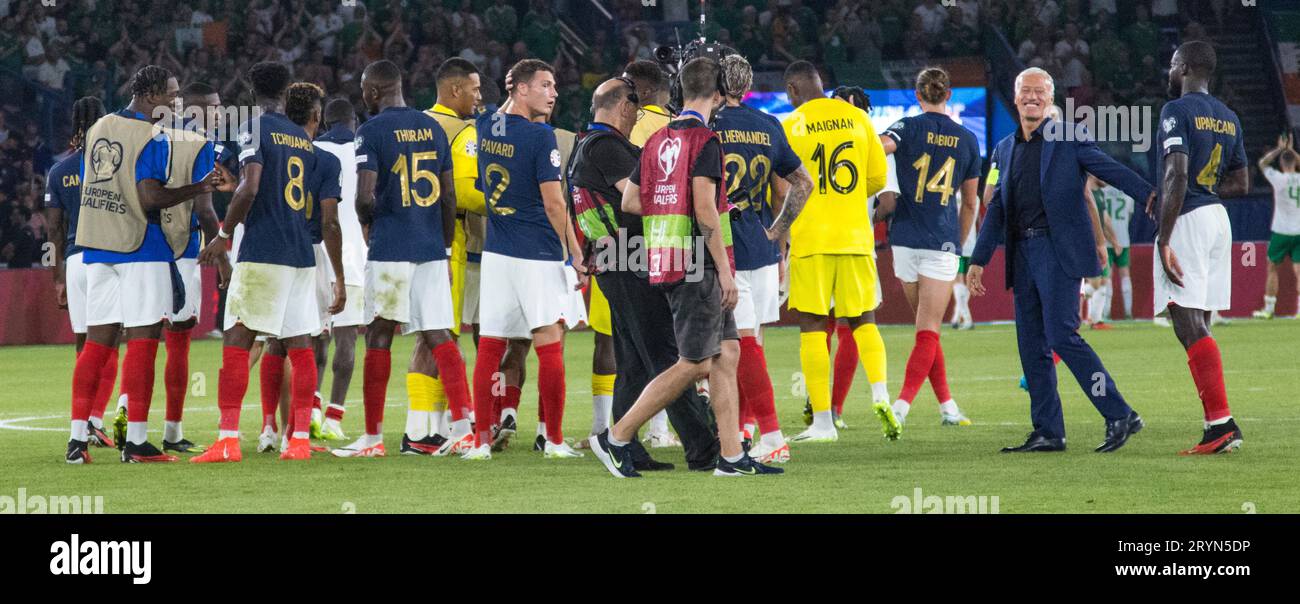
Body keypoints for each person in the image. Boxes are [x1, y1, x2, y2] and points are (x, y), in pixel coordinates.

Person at [590, 57, 781, 478]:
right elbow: (706, 212)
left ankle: (731, 457)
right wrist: (726, 274)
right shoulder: (706, 141)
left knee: (727, 354)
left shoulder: (657, 139)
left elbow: (632, 202)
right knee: (694, 362)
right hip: (697, 266)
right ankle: (616, 436)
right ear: (718, 95)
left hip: (666, 258)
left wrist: (668, 203)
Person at [967, 67, 1152, 454]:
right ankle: (1048, 431)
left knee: (1062, 337)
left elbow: (1109, 170)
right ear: (1015, 98)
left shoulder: (1069, 137)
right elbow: (997, 210)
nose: (1032, 98)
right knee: (1030, 344)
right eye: (1025, 92)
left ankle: (1119, 413)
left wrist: (1151, 195)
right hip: (1022, 253)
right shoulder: (1004, 148)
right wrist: (977, 260)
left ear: (1050, 100)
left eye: (1040, 92)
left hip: (1058, 251)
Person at [65, 65, 222, 465]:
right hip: (141, 248)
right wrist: (197, 188)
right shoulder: (153, 136)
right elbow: (151, 198)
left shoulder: (99, 126)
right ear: (151, 95)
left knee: (97, 343)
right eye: (171, 95)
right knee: (143, 342)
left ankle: (76, 440)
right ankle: (136, 442)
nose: (175, 102)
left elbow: (92, 183)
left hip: (98, 246)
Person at [190, 61, 344, 463]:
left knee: (238, 338)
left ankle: (226, 441)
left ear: (250, 87)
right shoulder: (303, 139)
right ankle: (298, 443)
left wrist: (223, 237)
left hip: (263, 249)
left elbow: (253, 185)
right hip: (300, 253)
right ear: (287, 88)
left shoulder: (254, 127)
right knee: (300, 345)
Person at [570, 76, 720, 471]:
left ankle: (626, 445)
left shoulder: (584, 144)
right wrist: (690, 197)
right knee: (668, 356)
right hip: (628, 259)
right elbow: (639, 197)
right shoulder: (607, 146)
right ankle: (703, 450)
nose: (637, 114)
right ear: (622, 107)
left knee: (635, 361)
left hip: (613, 260)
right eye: (634, 106)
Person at [329, 60, 473, 459]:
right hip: (431, 246)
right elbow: (448, 197)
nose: (362, 96)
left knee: (379, 334)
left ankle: (373, 438)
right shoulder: (433, 128)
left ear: (373, 91)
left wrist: (367, 225)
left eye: (364, 89)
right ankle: (463, 429)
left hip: (391, 244)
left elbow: (362, 197)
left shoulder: (370, 131)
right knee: (439, 333)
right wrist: (444, 246)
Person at [467, 58, 588, 460]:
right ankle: (553, 441)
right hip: (537, 252)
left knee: (490, 347)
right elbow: (555, 204)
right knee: (549, 343)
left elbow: (494, 114)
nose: (554, 93)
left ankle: (481, 441)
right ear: (520, 89)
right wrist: (574, 249)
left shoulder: (486, 127)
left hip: (498, 254)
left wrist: (504, 96)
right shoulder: (541, 138)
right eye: (545, 85)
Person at [780, 60, 892, 443]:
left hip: (811, 239)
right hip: (855, 236)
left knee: (813, 327)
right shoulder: (857, 118)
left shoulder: (790, 125)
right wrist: (844, 200)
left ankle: (824, 422)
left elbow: (782, 185)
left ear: (793, 91)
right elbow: (877, 178)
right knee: (864, 319)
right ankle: (880, 395)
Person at [712, 54, 812, 463]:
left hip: (726, 246)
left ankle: (771, 434)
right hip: (763, 245)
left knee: (742, 344)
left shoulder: (708, 126)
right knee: (752, 343)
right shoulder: (769, 124)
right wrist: (777, 232)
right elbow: (801, 183)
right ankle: (745, 427)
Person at [1153, 41, 1251, 454]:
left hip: (1189, 219)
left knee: (1186, 320)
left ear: (1187, 67)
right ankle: (1218, 422)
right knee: (1200, 321)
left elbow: (1176, 173)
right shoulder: (1229, 117)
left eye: (1173, 63)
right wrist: (1205, 190)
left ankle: (1220, 423)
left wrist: (1163, 236)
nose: (1169, 69)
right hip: (1217, 219)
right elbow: (1242, 183)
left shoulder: (1176, 111)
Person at [878, 66, 978, 427]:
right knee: (928, 330)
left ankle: (948, 407)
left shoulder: (906, 127)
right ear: (948, 95)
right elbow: (970, 203)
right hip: (941, 240)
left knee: (926, 328)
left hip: (903, 238)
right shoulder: (967, 139)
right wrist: (961, 239)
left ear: (917, 95)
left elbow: (880, 146)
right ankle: (901, 407)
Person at [401, 57, 482, 452]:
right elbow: (464, 193)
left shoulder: (413, 123)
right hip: (448, 240)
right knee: (443, 334)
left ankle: (423, 427)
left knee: (427, 333)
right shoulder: (462, 130)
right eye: (474, 89)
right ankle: (426, 431)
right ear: (454, 90)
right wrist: (509, 201)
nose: (478, 98)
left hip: (406, 236)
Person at [156, 81, 228, 455]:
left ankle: (124, 413)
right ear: (196, 110)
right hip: (184, 250)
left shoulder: (155, 136)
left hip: (146, 249)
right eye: (214, 107)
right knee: (179, 341)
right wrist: (223, 253)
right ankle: (172, 430)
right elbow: (205, 209)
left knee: (143, 335)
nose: (220, 114)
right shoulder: (202, 145)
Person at [47, 96, 117, 452]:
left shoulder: (59, 172)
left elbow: (53, 234)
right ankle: (96, 419)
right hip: (107, 257)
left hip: (74, 261)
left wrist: (56, 278)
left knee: (83, 343)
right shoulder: (113, 165)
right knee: (110, 339)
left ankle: (82, 418)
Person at [313, 97, 363, 440]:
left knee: (314, 338)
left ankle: (310, 411)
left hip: (315, 254)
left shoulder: (310, 149)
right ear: (354, 121)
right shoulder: (365, 151)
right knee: (347, 341)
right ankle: (334, 418)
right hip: (355, 257)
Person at [1252, 132, 1300, 320]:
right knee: (1298, 270)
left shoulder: (1278, 178)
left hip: (1281, 230)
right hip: (1299, 231)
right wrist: (1291, 150)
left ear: (1281, 165)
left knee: (1272, 268)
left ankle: (1269, 308)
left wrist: (1280, 149)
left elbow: (1262, 163)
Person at [1091, 177, 1136, 320]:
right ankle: (1128, 313)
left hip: (1104, 240)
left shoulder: (1101, 192)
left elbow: (1102, 217)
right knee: (1125, 275)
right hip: (1123, 239)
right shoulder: (1128, 194)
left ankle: (1105, 313)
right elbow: (1129, 216)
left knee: (1106, 277)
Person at [624, 59, 672, 148]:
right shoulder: (676, 120)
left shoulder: (633, 120)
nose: (621, 90)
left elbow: (637, 160)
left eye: (627, 87)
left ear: (645, 92)